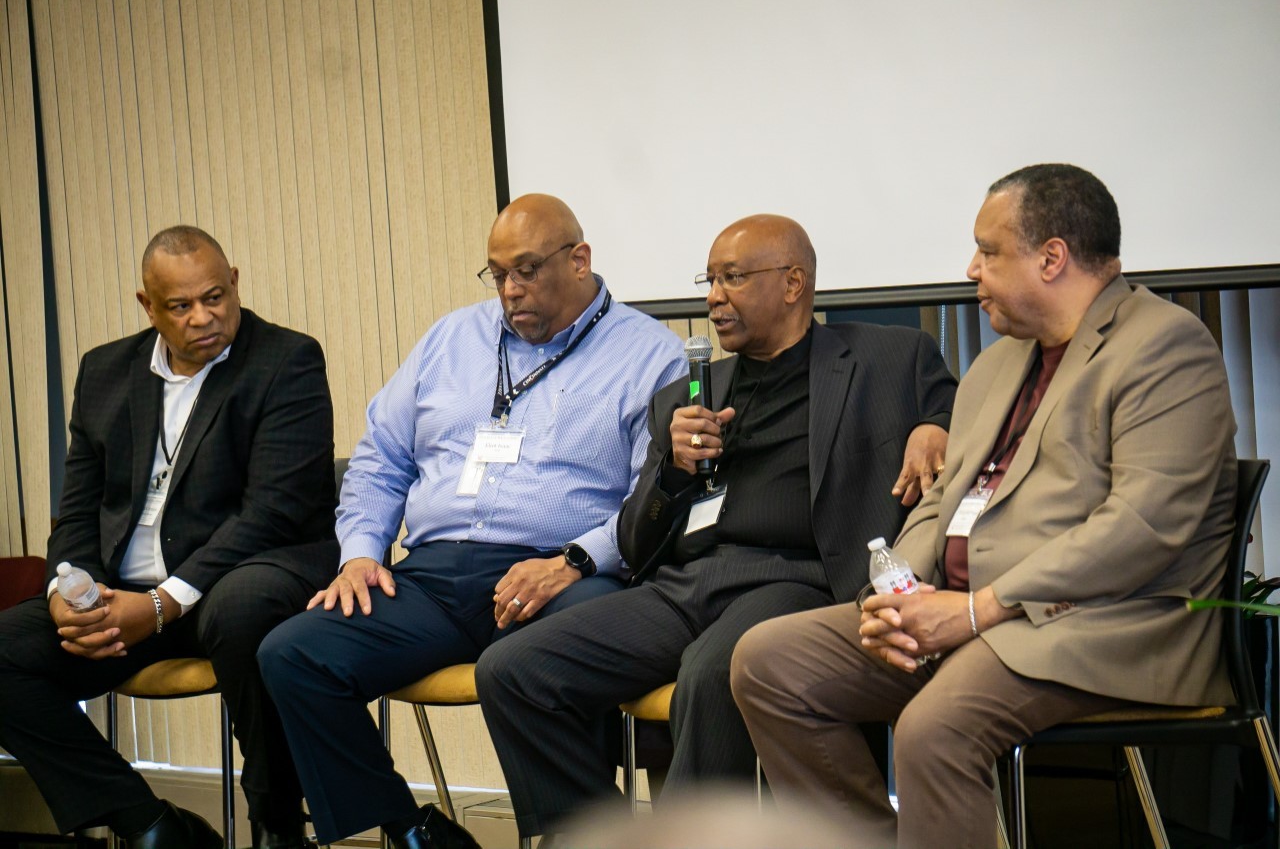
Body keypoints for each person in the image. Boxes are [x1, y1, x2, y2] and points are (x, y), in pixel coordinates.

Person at [730, 164, 1238, 849]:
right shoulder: (1000, 361)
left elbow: (1142, 526)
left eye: (989, 251)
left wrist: (977, 608)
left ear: (1051, 257)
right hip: (964, 613)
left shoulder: (1165, 346)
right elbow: (943, 497)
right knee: (768, 660)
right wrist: (897, 593)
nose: (972, 268)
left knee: (934, 726)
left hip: (1096, 622)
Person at [476, 213, 958, 841]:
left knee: (710, 673)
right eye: (709, 280)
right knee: (513, 669)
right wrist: (673, 471)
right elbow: (634, 543)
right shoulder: (686, 392)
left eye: (732, 279)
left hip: (798, 580)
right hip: (685, 583)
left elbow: (962, 411)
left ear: (793, 284)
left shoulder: (886, 356)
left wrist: (935, 424)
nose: (712, 298)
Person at [256, 194, 687, 848]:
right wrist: (361, 552)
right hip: (430, 578)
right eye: (497, 273)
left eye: (528, 269)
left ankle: (590, 837)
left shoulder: (649, 353)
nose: (510, 290)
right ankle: (410, 831)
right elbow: (380, 457)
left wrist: (572, 561)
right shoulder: (451, 338)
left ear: (580, 260)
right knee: (292, 652)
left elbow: (651, 495)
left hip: (561, 573)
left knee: (561, 650)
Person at [0, 225, 337, 849]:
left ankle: (278, 824)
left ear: (234, 282)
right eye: (180, 306)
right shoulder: (105, 370)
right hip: (123, 598)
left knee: (247, 613)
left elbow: (273, 512)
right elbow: (77, 510)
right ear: (147, 306)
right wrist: (64, 593)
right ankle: (150, 825)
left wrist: (163, 603)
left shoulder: (286, 360)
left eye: (215, 296)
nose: (203, 317)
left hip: (233, 580)